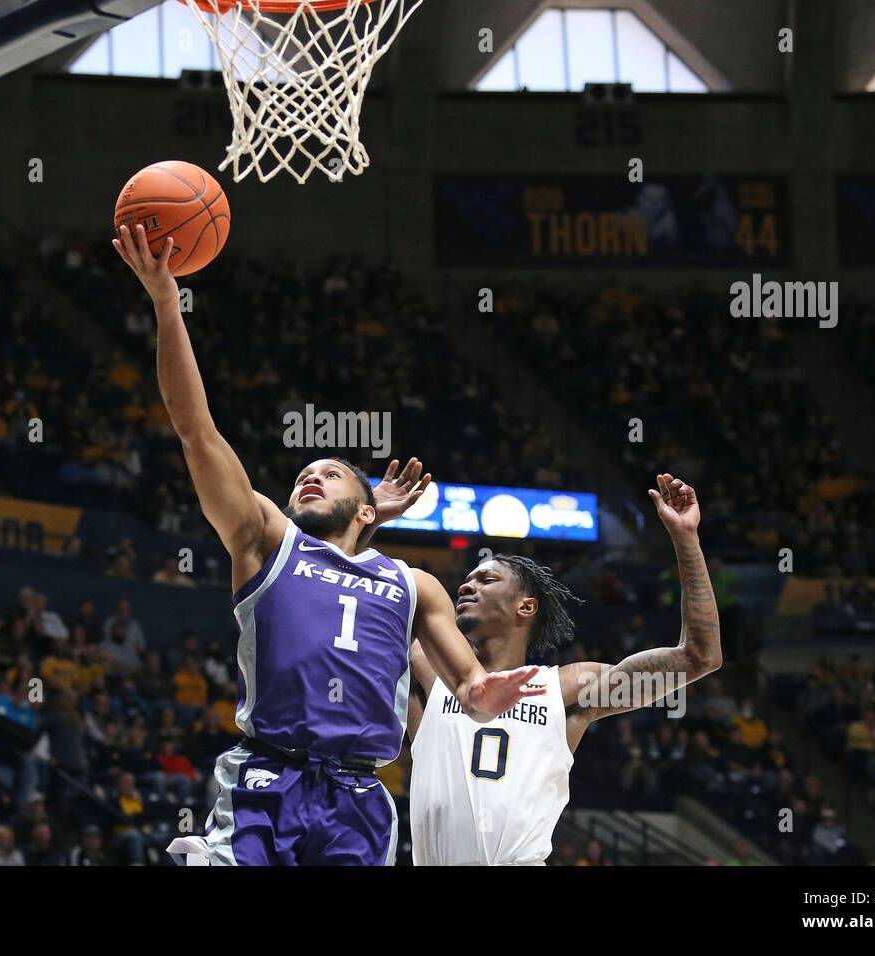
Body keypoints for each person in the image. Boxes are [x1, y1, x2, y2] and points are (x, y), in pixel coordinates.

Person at [114, 227, 541, 866]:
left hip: (359, 798)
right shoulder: (265, 542)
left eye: (330, 472)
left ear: (367, 509)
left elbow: (472, 686)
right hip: (268, 779)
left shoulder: (412, 584)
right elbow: (195, 431)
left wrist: (492, 696)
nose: (309, 475)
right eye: (301, 475)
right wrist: (167, 305)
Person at [407, 473, 723, 866]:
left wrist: (686, 538)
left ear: (526, 606)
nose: (467, 588)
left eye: (486, 580)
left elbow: (699, 656)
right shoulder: (426, 665)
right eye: (466, 582)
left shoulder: (565, 688)